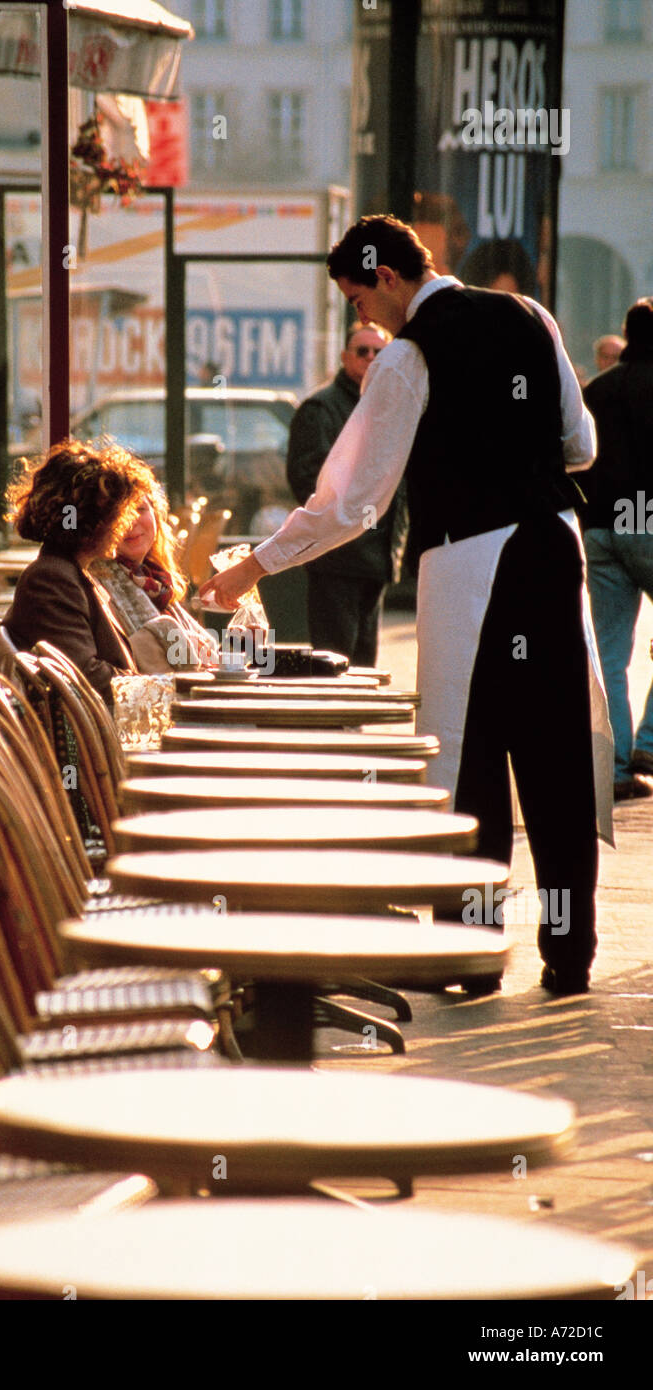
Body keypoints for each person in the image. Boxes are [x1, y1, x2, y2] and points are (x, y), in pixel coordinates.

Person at [201, 213, 612, 996]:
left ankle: (471, 952)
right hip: (554, 548)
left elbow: (351, 502)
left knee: (469, 758)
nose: (362, 317)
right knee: (556, 754)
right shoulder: (531, 315)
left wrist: (253, 566)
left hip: (467, 561)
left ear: (387, 278)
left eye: (359, 300)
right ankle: (570, 955)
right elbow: (580, 445)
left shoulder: (408, 359)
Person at [0, 440, 150, 704]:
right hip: (80, 741)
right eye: (117, 514)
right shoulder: (53, 579)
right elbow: (82, 677)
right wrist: (159, 687)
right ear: (90, 521)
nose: (124, 525)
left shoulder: (71, 572)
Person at [286, 320, 403, 665]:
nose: (369, 357)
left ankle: (355, 723)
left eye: (377, 352)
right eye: (361, 351)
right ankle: (333, 722)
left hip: (378, 559)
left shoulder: (389, 405)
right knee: (334, 664)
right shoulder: (321, 407)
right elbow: (307, 481)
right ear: (344, 356)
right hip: (337, 558)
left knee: (365, 666)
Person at [582, 298, 653, 800]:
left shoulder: (599, 389)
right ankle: (650, 740)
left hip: (601, 529)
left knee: (609, 650)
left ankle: (613, 770)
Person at [90, 492, 219, 672]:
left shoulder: (155, 579)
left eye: (140, 509)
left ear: (156, 516)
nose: (132, 522)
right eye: (118, 515)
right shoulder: (97, 582)